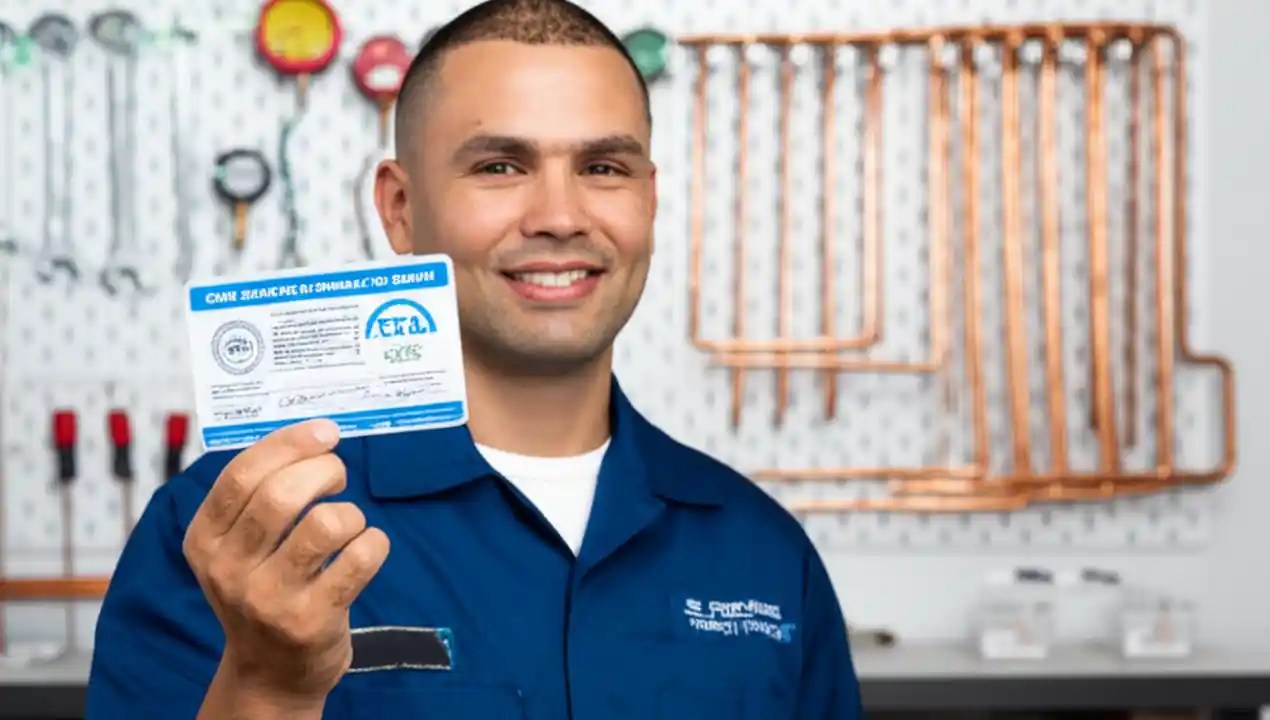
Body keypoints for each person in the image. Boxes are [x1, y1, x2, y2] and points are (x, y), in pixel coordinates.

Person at [85, 0, 863, 717]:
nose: (560, 216)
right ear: (400, 208)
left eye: (602, 167)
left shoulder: (762, 553)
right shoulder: (238, 535)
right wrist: (266, 685)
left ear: (648, 201)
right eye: (500, 166)